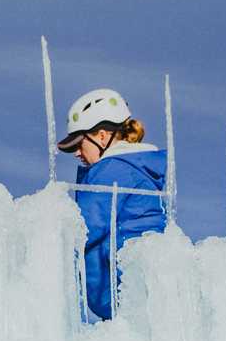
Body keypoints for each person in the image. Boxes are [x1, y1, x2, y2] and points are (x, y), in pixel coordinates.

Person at [57, 88, 167, 320]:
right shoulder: (134, 168)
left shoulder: (111, 170)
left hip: (124, 287)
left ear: (102, 136)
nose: (76, 152)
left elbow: (83, 229)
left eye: (79, 143)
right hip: (140, 291)